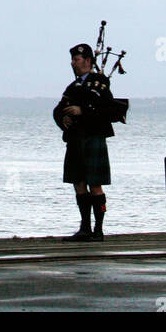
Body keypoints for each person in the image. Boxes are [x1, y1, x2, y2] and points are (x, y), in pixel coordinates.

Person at [52, 42, 115, 241]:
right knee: (78, 184)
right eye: (72, 60)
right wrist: (64, 120)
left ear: (88, 61)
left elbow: (109, 109)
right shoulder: (73, 87)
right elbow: (57, 110)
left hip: (93, 137)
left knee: (95, 185)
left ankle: (98, 230)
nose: (73, 63)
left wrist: (82, 111)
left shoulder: (100, 83)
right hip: (75, 140)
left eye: (76, 59)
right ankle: (85, 228)